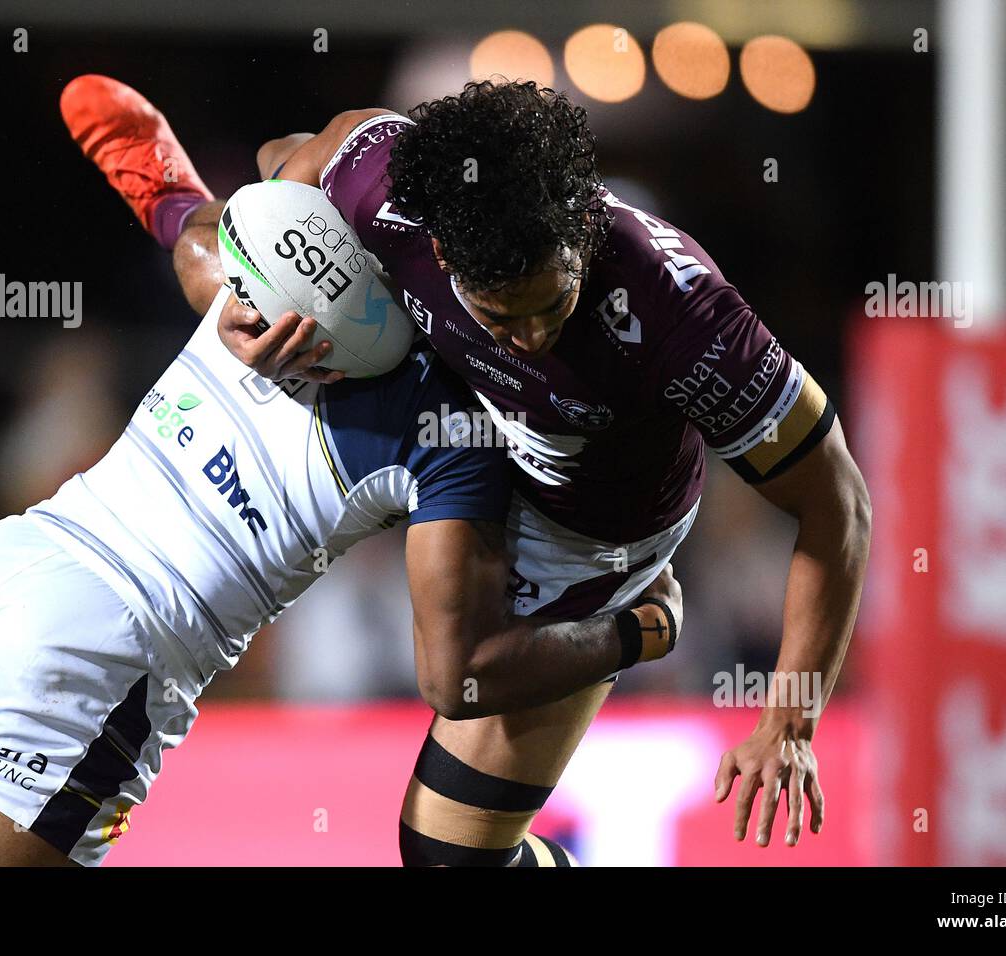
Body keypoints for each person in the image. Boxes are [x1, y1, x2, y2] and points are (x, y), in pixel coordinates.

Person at [0, 144, 682, 872]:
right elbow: (456, 675)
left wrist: (169, 194)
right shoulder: (459, 436)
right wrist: (637, 633)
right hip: (97, 650)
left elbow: (242, 192)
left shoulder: (274, 255)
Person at [139, 74, 872, 861]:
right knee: (234, 314)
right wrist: (252, 292)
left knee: (449, 839)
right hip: (444, 414)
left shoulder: (685, 317)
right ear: (441, 247)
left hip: (589, 528)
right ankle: (173, 210)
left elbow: (839, 505)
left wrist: (789, 722)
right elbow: (278, 169)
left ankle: (641, 623)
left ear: (584, 234)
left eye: (552, 304)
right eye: (499, 314)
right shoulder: (381, 179)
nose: (527, 337)